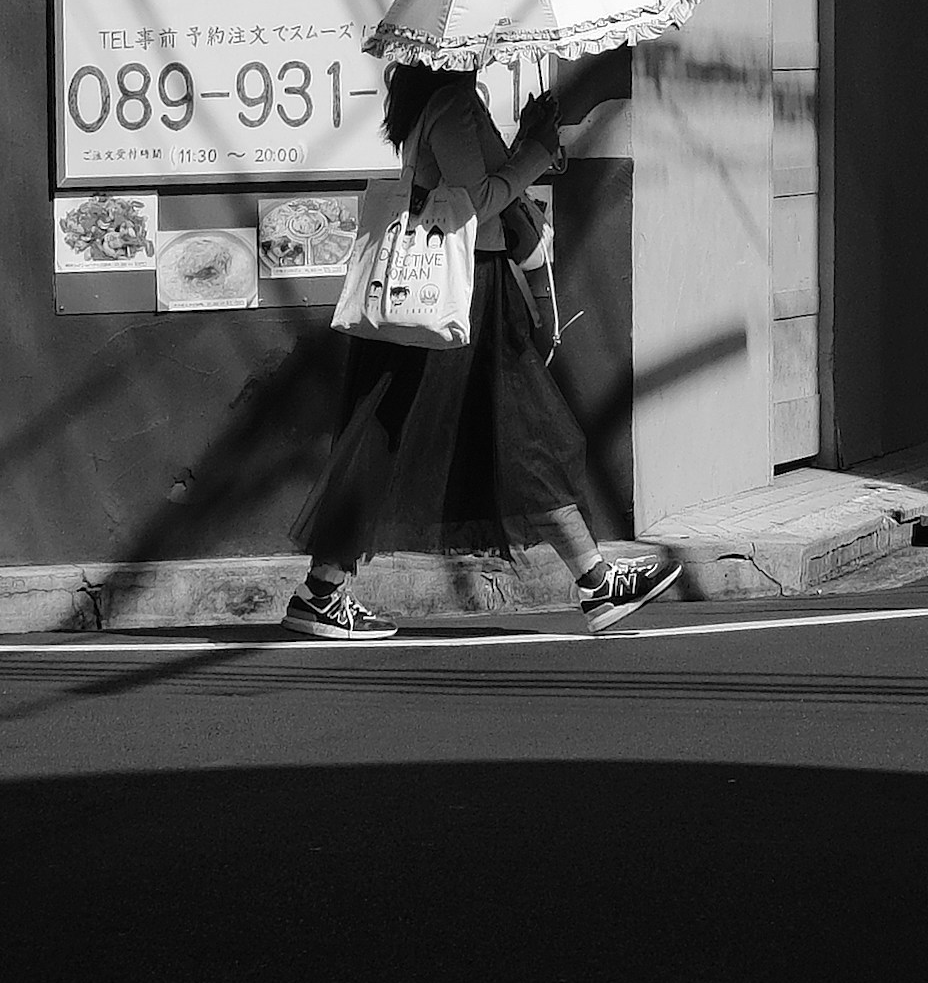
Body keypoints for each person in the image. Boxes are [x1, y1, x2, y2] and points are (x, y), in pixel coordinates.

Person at [283, 50, 675, 641]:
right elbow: (475, 202)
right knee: (515, 433)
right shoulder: (453, 105)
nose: (486, 51)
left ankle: (594, 579)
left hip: (456, 297)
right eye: (478, 44)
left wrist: (525, 143)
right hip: (463, 298)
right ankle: (594, 581)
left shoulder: (438, 105)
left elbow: (471, 189)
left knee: (491, 433)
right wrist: (536, 154)